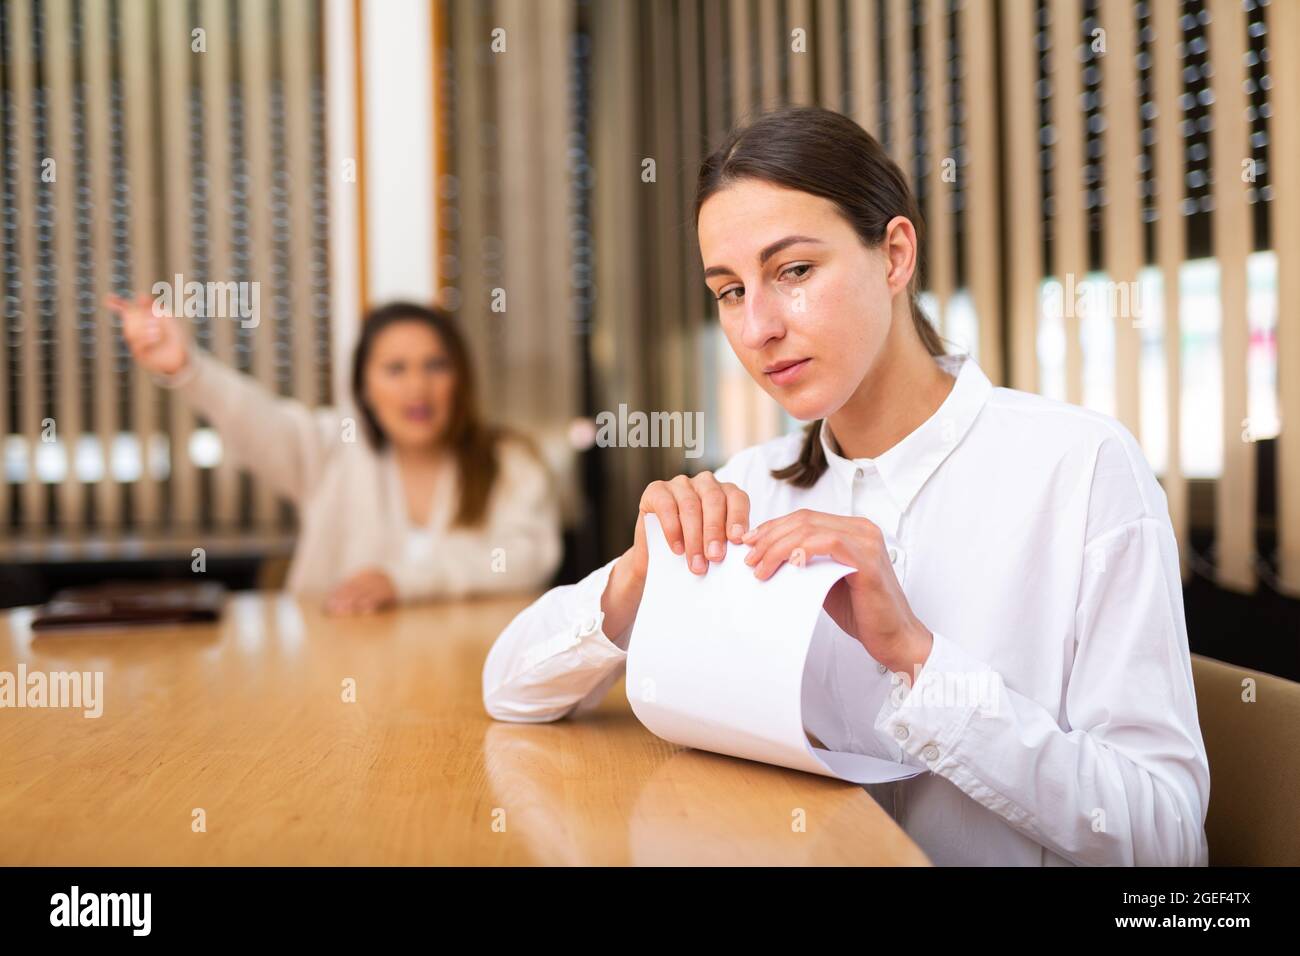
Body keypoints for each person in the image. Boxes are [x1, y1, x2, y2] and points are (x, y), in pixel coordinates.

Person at [480, 106, 1210, 866]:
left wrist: (919, 658)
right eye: (730, 291)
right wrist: (637, 575)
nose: (757, 328)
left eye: (793, 271)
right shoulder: (751, 487)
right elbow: (510, 688)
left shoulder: (1082, 468)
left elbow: (1166, 841)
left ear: (894, 256)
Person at [109, 295, 562, 614]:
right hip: (340, 679)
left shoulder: (509, 460)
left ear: (460, 378)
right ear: (364, 388)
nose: (417, 388)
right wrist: (187, 368)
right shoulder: (331, 447)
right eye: (395, 369)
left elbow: (527, 559)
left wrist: (400, 583)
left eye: (435, 366)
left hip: (468, 672)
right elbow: (255, 419)